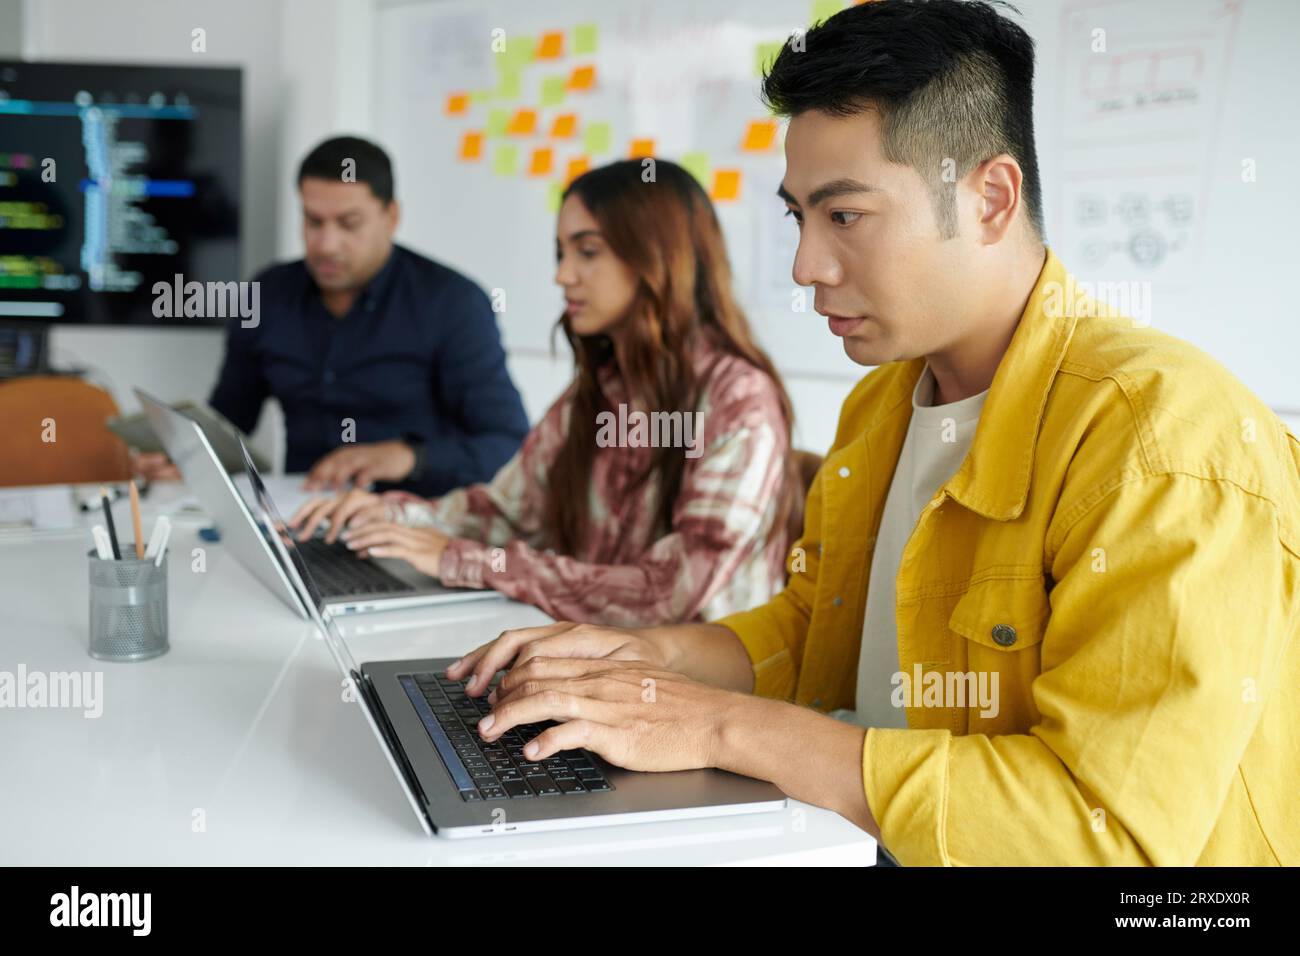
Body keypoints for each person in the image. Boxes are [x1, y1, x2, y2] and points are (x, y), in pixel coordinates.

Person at [439, 0, 1299, 866]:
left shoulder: (1164, 442)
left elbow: (1098, 834)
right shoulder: (885, 399)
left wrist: (718, 725)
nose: (806, 266)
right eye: (798, 218)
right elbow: (825, 629)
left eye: (844, 216)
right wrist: (644, 655)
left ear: (990, 199)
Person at [290, 159, 800, 626]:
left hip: (693, 698)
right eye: (561, 252)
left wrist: (461, 558)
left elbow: (671, 591)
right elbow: (508, 511)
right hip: (598, 658)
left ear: (657, 258)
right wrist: (389, 516)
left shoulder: (739, 400)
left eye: (588, 251)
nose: (562, 275)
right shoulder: (599, 390)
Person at [136, 135, 529, 496]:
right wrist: (186, 458)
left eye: (349, 224)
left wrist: (407, 457)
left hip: (411, 527)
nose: (326, 244)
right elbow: (230, 423)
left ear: (391, 217)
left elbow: (508, 445)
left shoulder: (453, 303)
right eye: (313, 221)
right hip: (300, 520)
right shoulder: (267, 295)